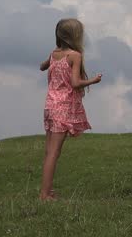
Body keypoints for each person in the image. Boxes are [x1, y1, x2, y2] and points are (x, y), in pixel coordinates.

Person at [38, 18, 102, 201]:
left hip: (50, 106)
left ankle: (47, 191)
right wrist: (93, 81)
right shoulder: (74, 56)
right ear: (75, 36)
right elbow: (75, 83)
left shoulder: (54, 54)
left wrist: (48, 63)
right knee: (54, 152)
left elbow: (42, 67)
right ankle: (44, 194)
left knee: (49, 151)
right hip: (63, 108)